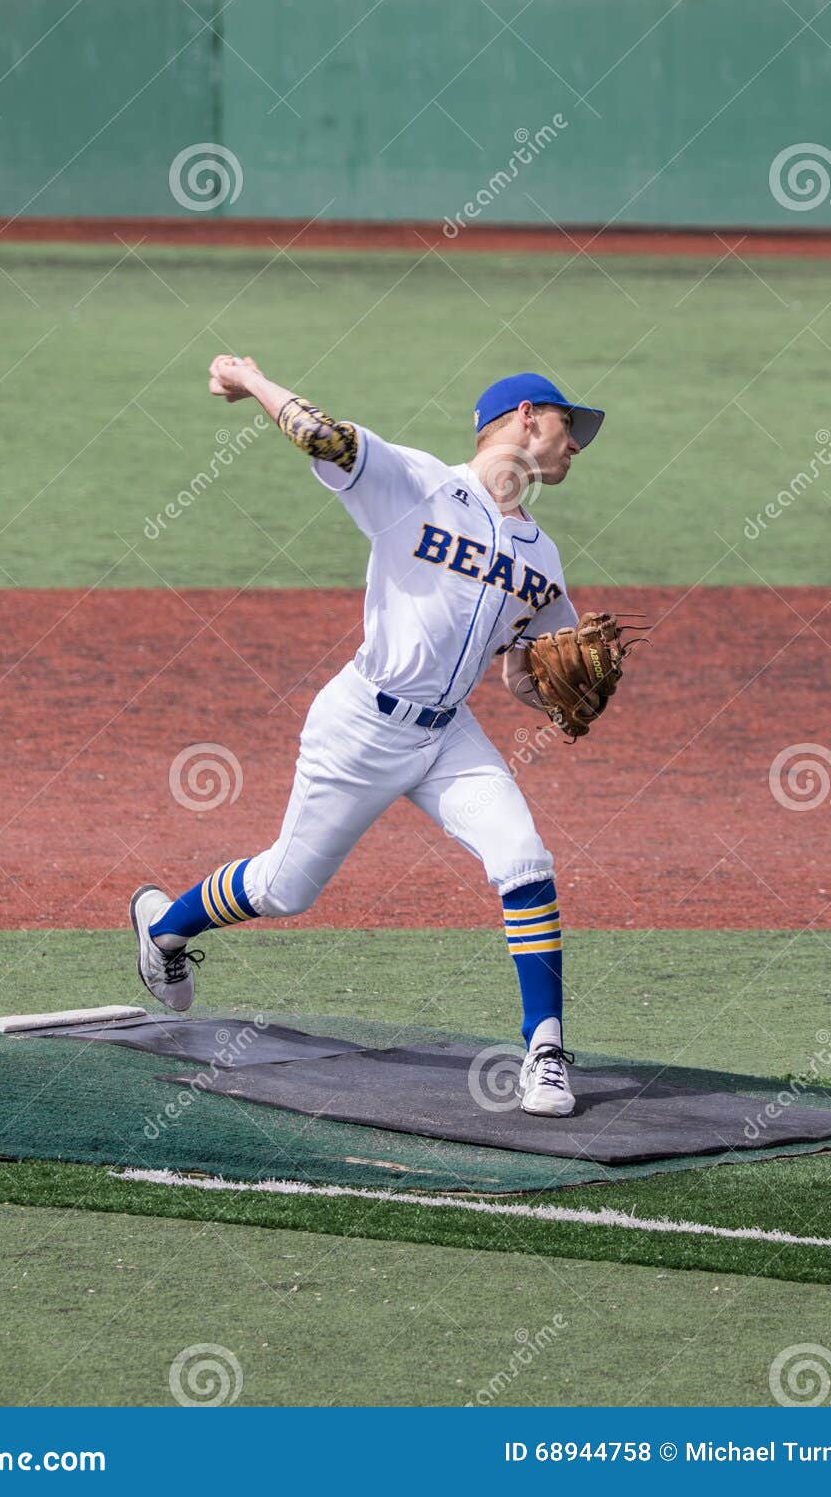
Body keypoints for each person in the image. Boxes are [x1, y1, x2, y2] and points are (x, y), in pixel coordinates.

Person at [130, 358, 606, 1117]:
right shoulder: (416, 484)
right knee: (286, 888)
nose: (576, 443)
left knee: (523, 858)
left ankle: (543, 1052)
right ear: (522, 418)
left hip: (450, 739)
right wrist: (248, 379)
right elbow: (321, 436)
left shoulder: (541, 558)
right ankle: (162, 928)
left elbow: (523, 672)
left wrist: (555, 701)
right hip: (360, 724)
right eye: (565, 424)